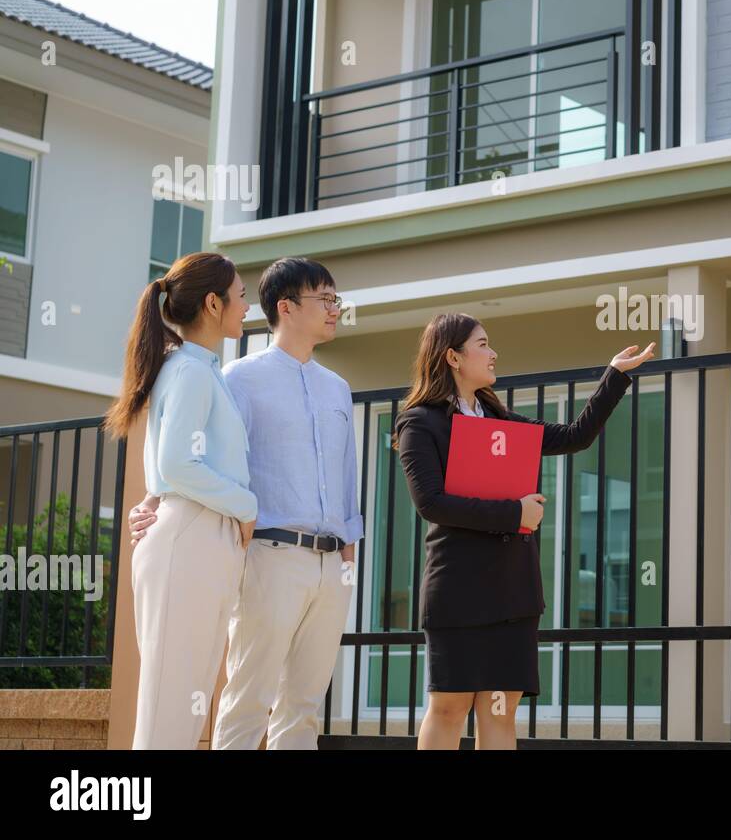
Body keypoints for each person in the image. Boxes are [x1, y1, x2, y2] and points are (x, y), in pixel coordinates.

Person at [128, 257, 361, 749]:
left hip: (331, 565)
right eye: (325, 298)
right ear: (287, 306)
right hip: (267, 558)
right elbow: (199, 452)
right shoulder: (234, 378)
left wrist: (348, 552)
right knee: (246, 699)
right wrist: (154, 498)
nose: (335, 308)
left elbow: (345, 477)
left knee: (303, 708)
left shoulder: (338, 388)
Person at [394, 313, 654, 749]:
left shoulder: (500, 418)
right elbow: (430, 503)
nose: (493, 353)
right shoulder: (420, 422)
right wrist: (513, 514)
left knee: (500, 710)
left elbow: (575, 436)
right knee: (448, 708)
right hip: (457, 590)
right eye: (482, 345)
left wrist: (614, 376)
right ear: (453, 356)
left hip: (513, 589)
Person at [105, 252, 257, 750]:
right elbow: (175, 466)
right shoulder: (191, 372)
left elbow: (177, 467)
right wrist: (246, 505)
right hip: (191, 538)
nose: (246, 306)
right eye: (239, 296)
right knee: (171, 709)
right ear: (213, 304)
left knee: (185, 705)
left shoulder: (199, 370)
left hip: (198, 538)